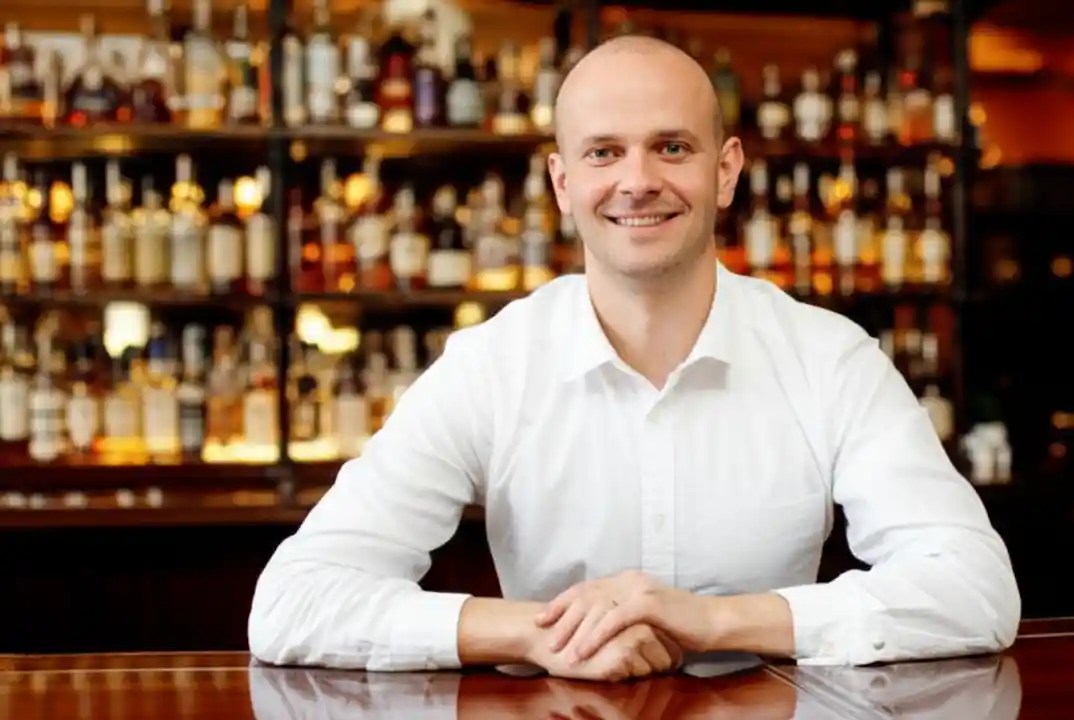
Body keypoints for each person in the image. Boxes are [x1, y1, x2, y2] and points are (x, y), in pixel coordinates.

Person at [248, 36, 1020, 682]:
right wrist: (533, 633)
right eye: (604, 152)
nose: (637, 181)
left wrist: (713, 620)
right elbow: (292, 602)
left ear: (725, 171)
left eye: (672, 147)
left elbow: (974, 587)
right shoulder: (491, 366)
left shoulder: (830, 359)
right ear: (562, 182)